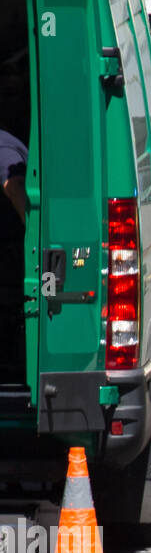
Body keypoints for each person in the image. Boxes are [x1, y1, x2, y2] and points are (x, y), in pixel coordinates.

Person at [0, 128, 27, 384]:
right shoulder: (9, 141)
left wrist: (35, 231)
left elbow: (13, 185)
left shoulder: (3, 148)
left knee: (47, 288)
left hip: (14, 252)